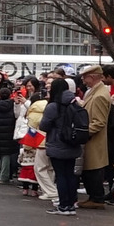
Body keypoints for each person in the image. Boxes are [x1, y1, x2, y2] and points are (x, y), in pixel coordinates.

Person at [39, 78, 81, 215]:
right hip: (73, 143)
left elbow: (44, 126)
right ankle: (71, 204)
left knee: (61, 175)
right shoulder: (75, 103)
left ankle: (63, 205)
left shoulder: (53, 106)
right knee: (70, 174)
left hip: (57, 143)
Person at [78, 64, 112, 209]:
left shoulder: (99, 96)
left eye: (85, 78)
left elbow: (99, 122)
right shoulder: (96, 92)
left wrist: (82, 133)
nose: (83, 81)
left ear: (92, 77)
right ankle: (94, 197)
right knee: (91, 169)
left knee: (93, 169)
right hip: (91, 138)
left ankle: (97, 199)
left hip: (93, 140)